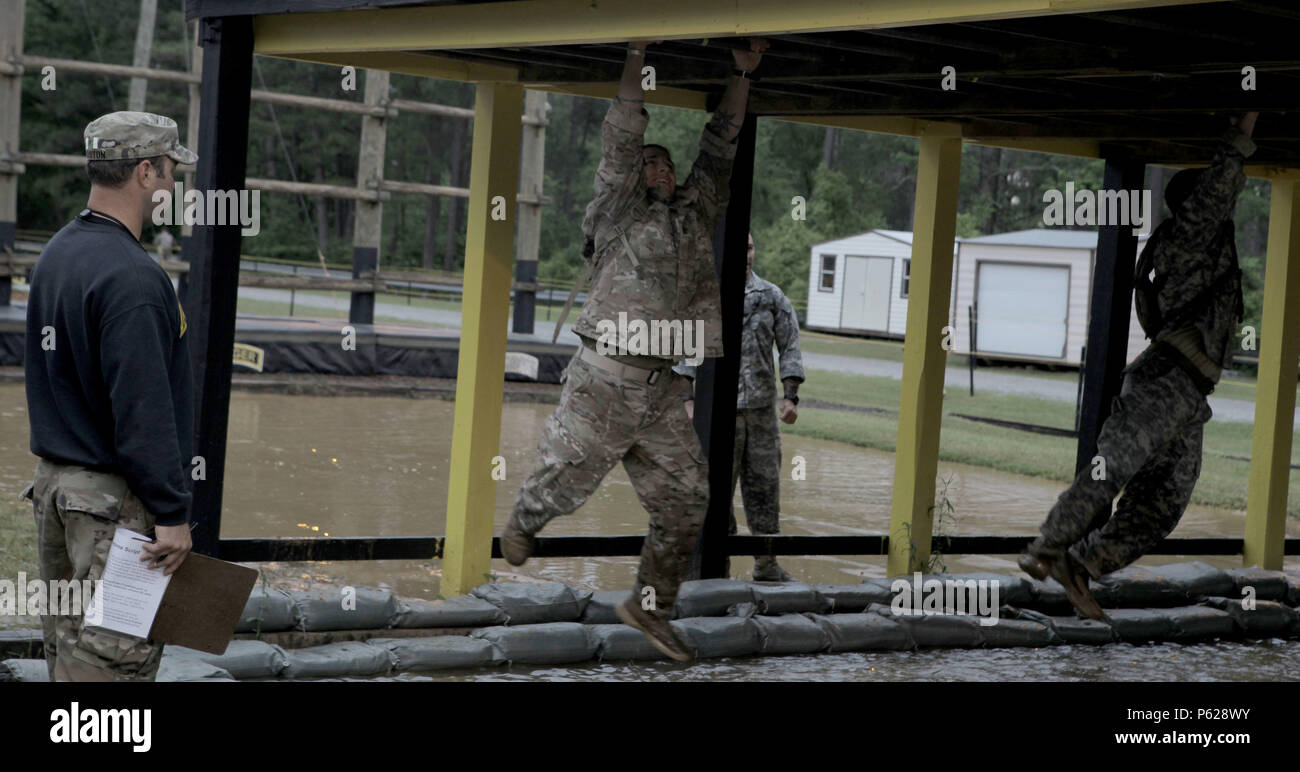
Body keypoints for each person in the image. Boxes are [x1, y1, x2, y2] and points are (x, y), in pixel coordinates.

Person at [500, 38, 767, 661]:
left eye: (665, 164)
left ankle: (650, 607)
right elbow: (622, 127)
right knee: (562, 484)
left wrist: (741, 75)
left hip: (662, 391)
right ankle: (524, 520)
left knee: (689, 499)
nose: (659, 169)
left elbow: (721, 143)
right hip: (604, 380)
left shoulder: (694, 214)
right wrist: (637, 49)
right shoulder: (616, 208)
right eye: (648, 163)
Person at [1019, 112, 1259, 620]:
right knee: (1114, 467)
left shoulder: (1208, 247)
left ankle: (1081, 565)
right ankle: (1050, 544)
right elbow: (1219, 185)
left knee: (1164, 503)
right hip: (1163, 381)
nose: (1228, 201)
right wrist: (1241, 133)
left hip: (1189, 395)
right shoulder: (1192, 234)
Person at [22, 111, 198, 681]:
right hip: (111, 505)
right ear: (145, 172)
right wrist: (171, 514)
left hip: (56, 489)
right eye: (170, 171)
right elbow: (142, 410)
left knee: (66, 654)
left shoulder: (57, 254)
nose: (172, 186)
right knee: (110, 665)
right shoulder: (136, 278)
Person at [677, 232, 805, 582]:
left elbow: (789, 345)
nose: (745, 255)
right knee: (715, 492)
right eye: (740, 248)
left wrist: (790, 396)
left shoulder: (771, 297)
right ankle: (716, 568)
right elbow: (685, 354)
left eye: (749, 247)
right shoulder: (704, 296)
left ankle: (766, 565)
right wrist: (688, 401)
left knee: (764, 488)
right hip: (719, 414)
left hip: (762, 413)